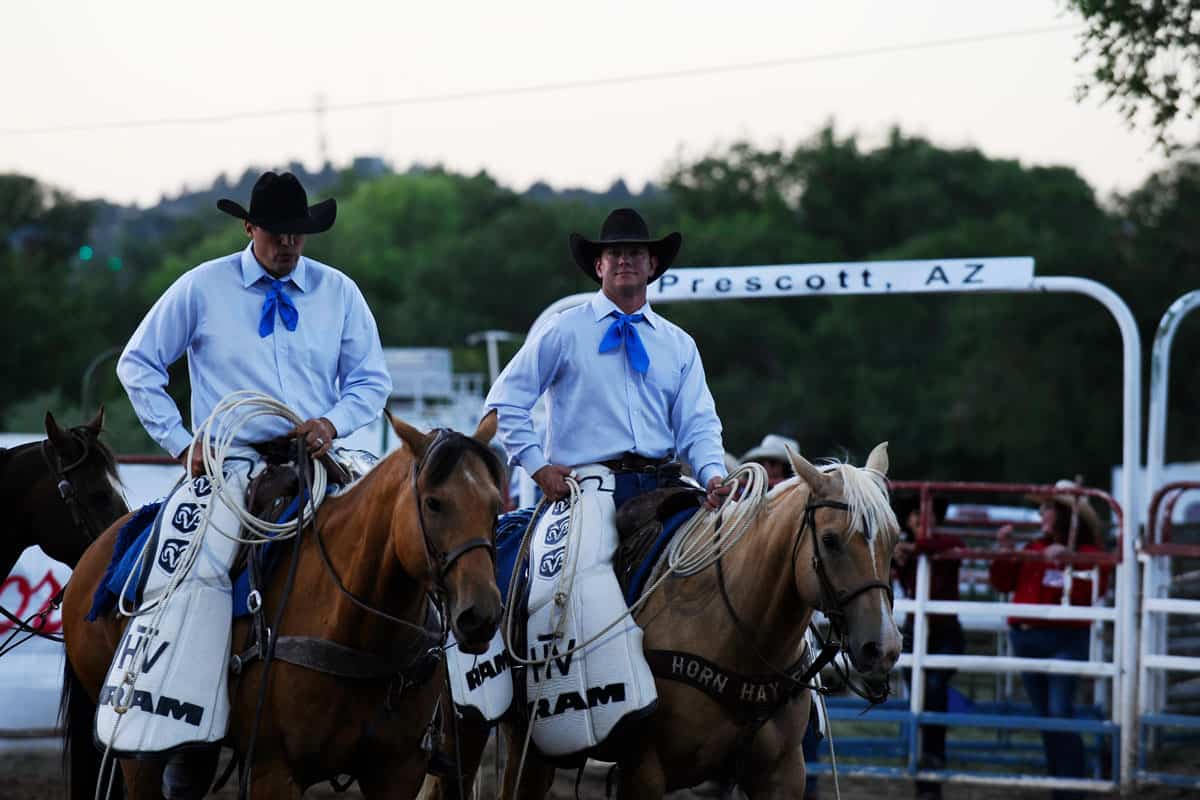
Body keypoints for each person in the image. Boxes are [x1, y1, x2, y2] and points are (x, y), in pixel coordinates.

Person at [114, 171, 391, 797]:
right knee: (193, 576)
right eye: (276, 232)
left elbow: (371, 380)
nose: (288, 243)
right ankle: (180, 711)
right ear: (249, 228)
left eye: (297, 233)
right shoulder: (202, 287)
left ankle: (417, 707)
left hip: (319, 462)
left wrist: (332, 421)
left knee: (395, 545)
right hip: (230, 465)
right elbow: (139, 365)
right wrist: (183, 444)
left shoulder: (338, 292)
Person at [485, 207, 729, 512]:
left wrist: (713, 475)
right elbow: (504, 402)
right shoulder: (565, 330)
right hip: (588, 488)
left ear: (652, 265)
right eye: (614, 253)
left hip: (665, 487)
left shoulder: (679, 344)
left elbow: (698, 424)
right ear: (599, 266)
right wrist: (540, 469)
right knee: (590, 560)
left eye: (635, 252)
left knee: (722, 551)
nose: (624, 260)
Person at [988, 480, 1110, 800]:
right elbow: (1002, 583)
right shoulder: (1034, 548)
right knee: (1048, 717)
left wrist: (1071, 560)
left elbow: (1095, 589)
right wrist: (1004, 551)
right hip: (1029, 637)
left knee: (1058, 713)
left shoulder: (1087, 553)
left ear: (1065, 515)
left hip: (1064, 637)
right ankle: (1064, 785)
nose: (1041, 512)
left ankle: (1071, 785)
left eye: (1048, 507)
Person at [892, 495, 965, 800]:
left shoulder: (945, 543)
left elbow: (953, 544)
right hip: (918, 630)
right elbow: (891, 572)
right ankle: (927, 772)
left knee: (932, 691)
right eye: (916, 515)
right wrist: (900, 557)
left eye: (928, 514)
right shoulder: (906, 551)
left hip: (943, 629)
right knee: (921, 698)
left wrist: (912, 549)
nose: (922, 519)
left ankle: (932, 761)